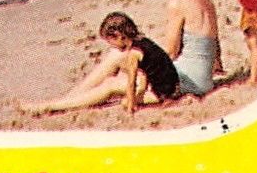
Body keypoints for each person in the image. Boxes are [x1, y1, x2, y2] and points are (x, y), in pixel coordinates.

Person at [23, 12, 179, 116]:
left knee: (110, 87)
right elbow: (147, 72)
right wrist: (141, 90)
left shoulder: (133, 54)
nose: (112, 46)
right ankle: (67, 101)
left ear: (119, 36)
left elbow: (131, 82)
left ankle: (52, 106)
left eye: (111, 42)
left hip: (163, 94)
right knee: (112, 83)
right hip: (171, 86)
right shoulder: (142, 42)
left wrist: (131, 105)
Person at [152, 0, 221, 95]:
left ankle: (88, 99)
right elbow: (215, 43)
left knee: (117, 82)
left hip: (188, 79)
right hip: (206, 79)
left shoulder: (177, 3)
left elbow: (171, 52)